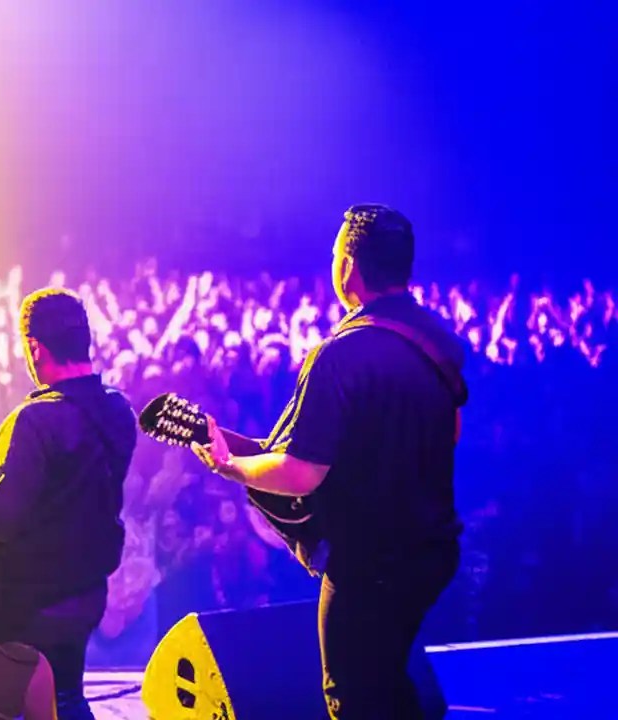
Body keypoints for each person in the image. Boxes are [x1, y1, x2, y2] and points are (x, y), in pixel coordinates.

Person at [188, 204, 466, 718]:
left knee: (353, 694)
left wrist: (233, 466)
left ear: (349, 268)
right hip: (433, 548)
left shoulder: (341, 353)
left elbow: (300, 472)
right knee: (387, 679)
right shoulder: (439, 339)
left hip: (370, 561)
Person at [0, 288, 138, 720]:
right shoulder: (119, 410)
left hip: (25, 604)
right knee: (65, 698)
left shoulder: (34, 420)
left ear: (35, 346)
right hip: (86, 591)